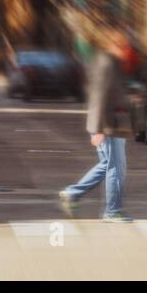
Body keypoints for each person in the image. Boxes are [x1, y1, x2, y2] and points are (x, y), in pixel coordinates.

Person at [59, 31, 132, 222]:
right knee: (116, 167)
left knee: (108, 165)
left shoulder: (111, 63)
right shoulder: (107, 63)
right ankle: (112, 211)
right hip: (107, 125)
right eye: (125, 47)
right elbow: (99, 95)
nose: (127, 52)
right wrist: (98, 128)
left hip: (112, 123)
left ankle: (72, 194)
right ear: (115, 46)